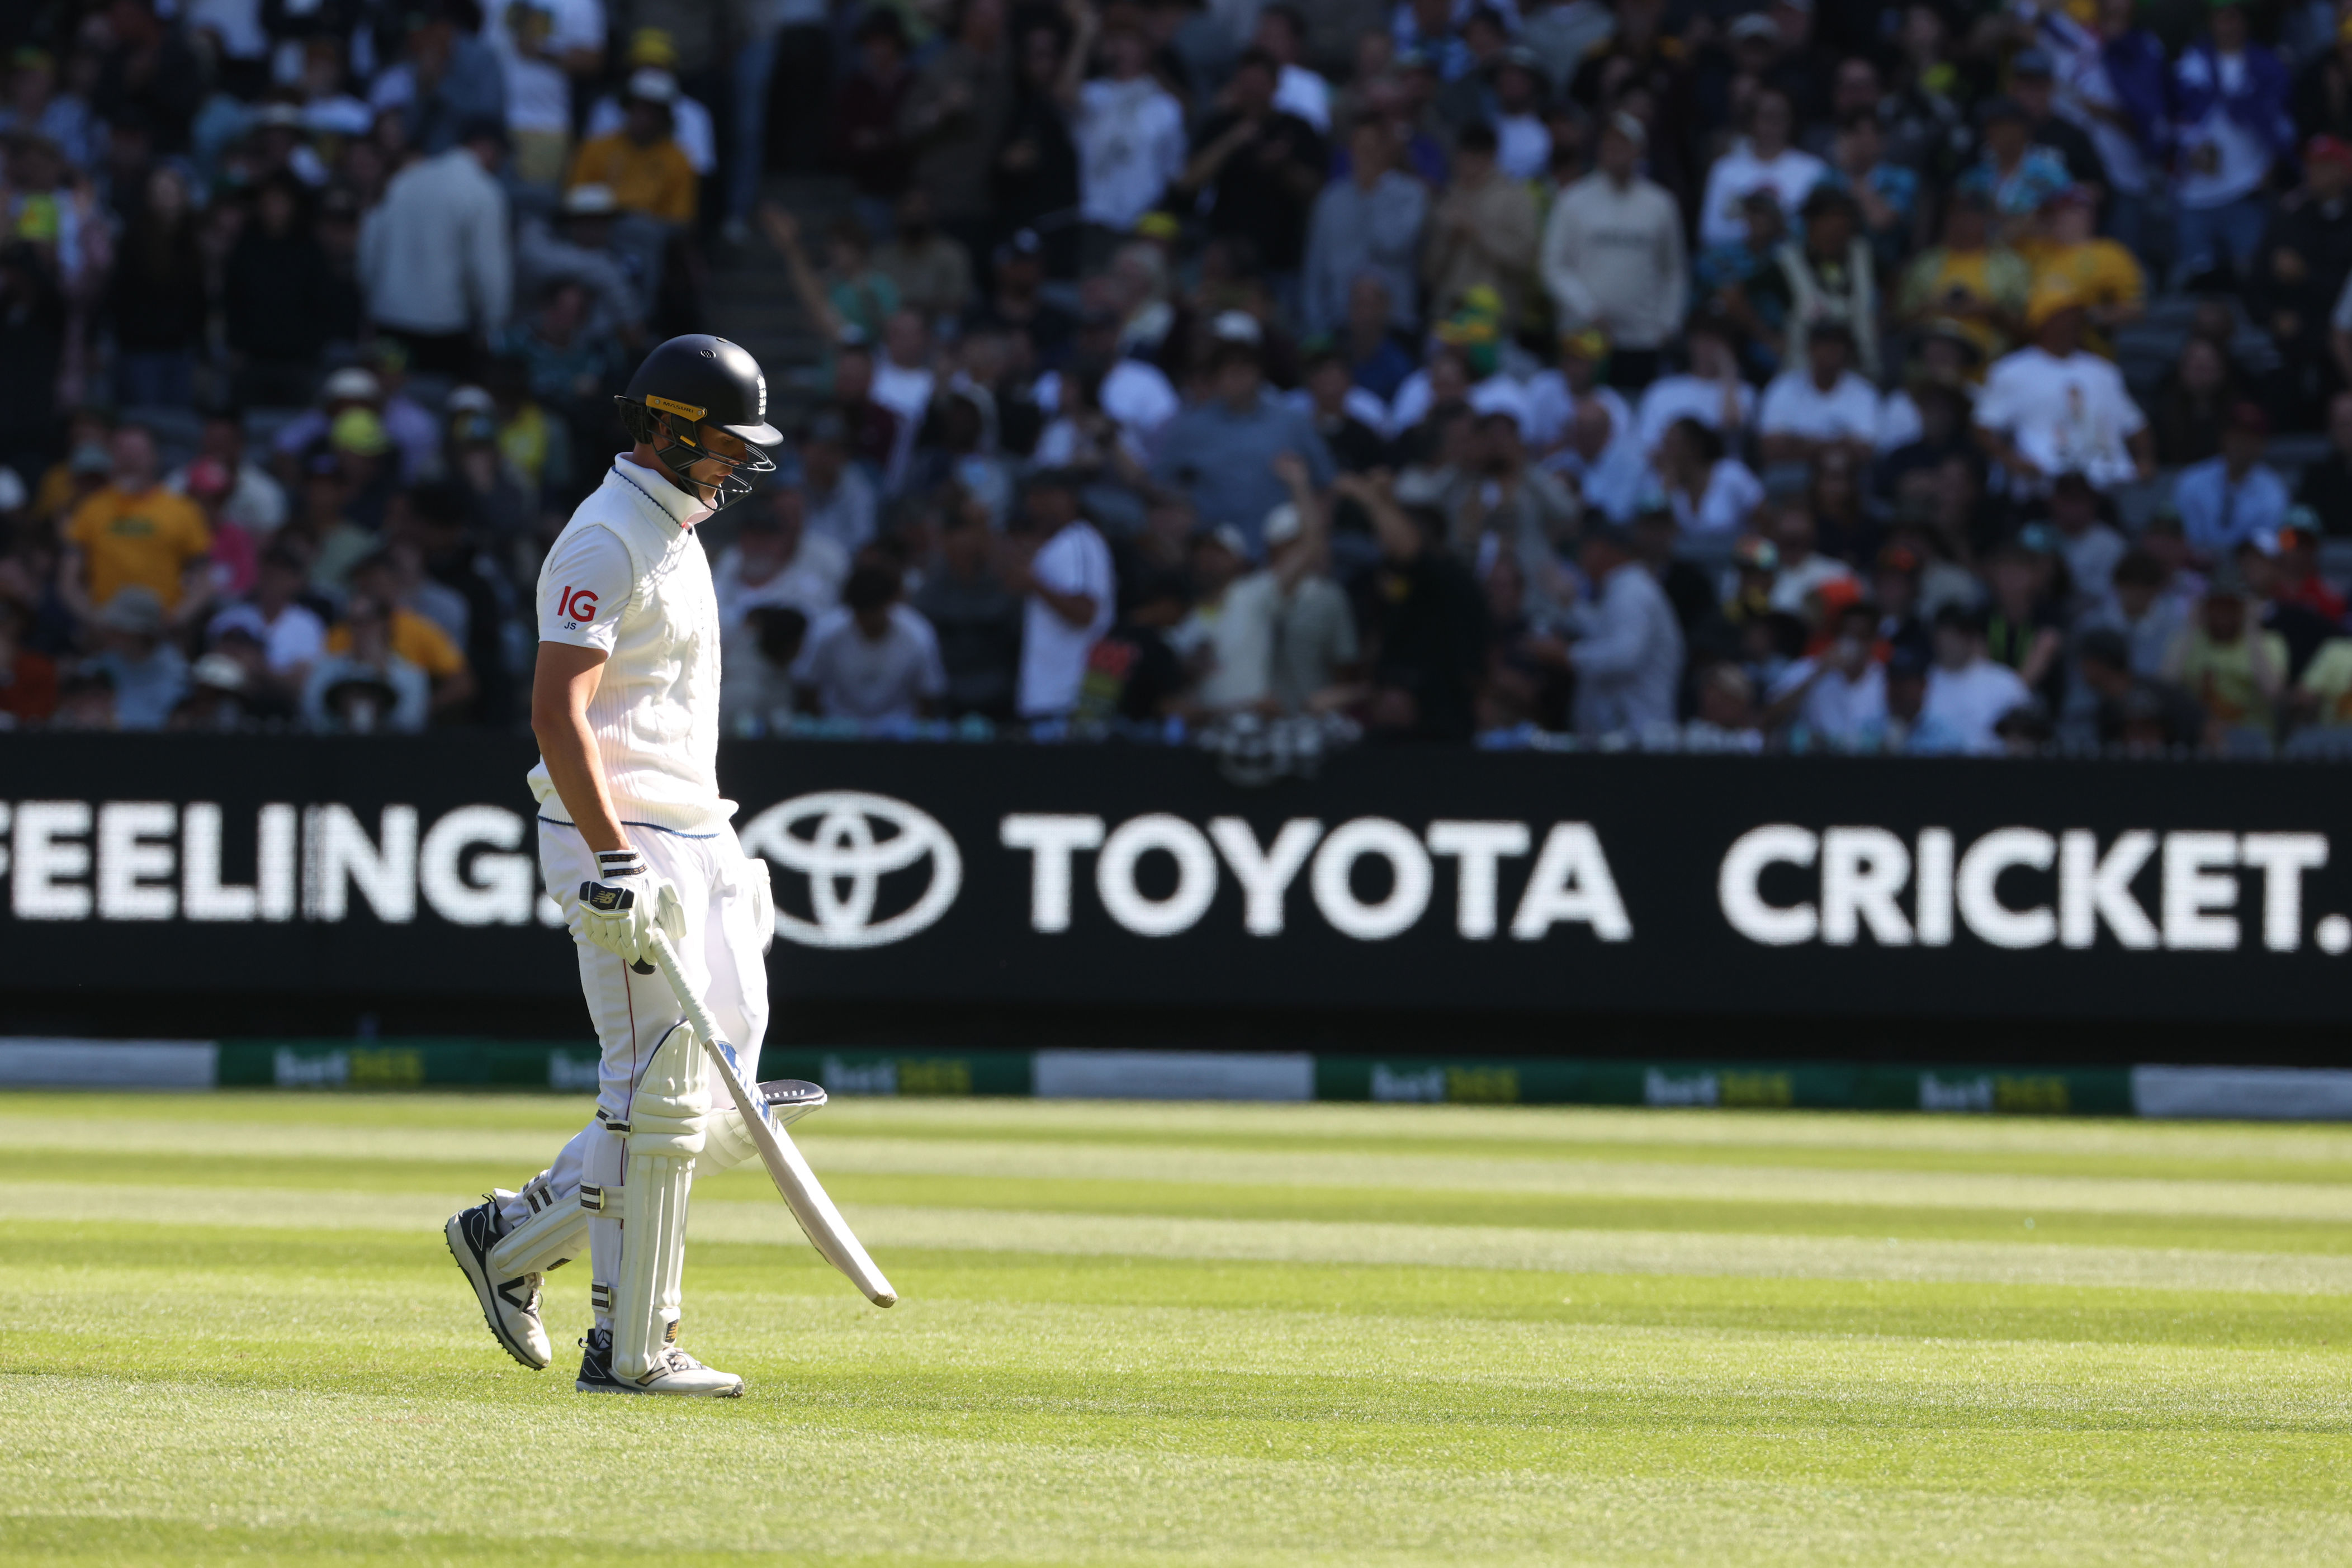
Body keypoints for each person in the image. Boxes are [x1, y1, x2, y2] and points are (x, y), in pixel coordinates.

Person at [443, 334, 785, 1399]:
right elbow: (557, 713)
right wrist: (612, 855)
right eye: (725, 441)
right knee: (654, 1092)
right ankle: (630, 1345)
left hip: (699, 826)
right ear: (668, 429)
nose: (737, 462)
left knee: (725, 1091)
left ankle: (509, 1238)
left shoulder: (674, 527)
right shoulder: (603, 537)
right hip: (625, 836)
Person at [1150, 315, 1334, 557]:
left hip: (1283, 550)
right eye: (1230, 372)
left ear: (1259, 373)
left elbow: (1326, 484)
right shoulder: (1191, 427)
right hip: (1215, 552)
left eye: (1245, 370)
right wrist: (1184, 510)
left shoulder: (1292, 421)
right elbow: (1158, 482)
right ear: (1216, 379)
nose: (1239, 380)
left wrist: (1316, 539)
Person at [358, 116, 513, 376]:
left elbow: (370, 248)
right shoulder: (482, 191)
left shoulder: (405, 180)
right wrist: (493, 324)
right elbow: (489, 270)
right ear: (488, 148)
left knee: (390, 396)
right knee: (437, 399)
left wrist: (371, 302)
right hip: (445, 327)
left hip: (389, 317)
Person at [1541, 112, 1686, 387]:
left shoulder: (1661, 204)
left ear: (1639, 150)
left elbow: (1674, 270)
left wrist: (1668, 323)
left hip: (1642, 338)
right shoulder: (1573, 200)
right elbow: (1553, 266)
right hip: (1583, 337)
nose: (1616, 151)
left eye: (1624, 144)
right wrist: (1588, 310)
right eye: (1610, 143)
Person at [1974, 287, 2153, 491]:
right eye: (2063, 315)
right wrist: (2012, 461)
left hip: (2107, 484)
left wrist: (2146, 460)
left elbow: (2135, 424)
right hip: (2045, 487)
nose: (2072, 323)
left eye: (2076, 316)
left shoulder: (2104, 370)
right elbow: (1984, 427)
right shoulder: (2010, 370)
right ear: (2043, 321)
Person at [2170, 0, 2293, 287]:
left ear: (2245, 21)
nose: (2228, 26)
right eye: (2221, 18)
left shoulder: (2267, 66)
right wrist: (2190, 151)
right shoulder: (2190, 63)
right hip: (2196, 193)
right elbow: (2174, 117)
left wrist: (2273, 167)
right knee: (2196, 282)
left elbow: (2280, 125)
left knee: (2252, 278)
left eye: (2234, 17)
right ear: (2211, 22)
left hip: (2246, 189)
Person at [63, 425, 213, 637]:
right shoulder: (90, 509)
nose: (130, 460)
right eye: (123, 452)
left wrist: (178, 619)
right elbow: (69, 579)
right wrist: (93, 619)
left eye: (137, 453)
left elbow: (204, 578)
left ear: (154, 457)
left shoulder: (183, 510)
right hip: (106, 630)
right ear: (112, 457)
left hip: (161, 630)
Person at [1303, 116, 1429, 339]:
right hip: (1338, 321)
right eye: (1359, 148)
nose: (1365, 156)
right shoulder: (1331, 199)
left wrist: (1373, 193)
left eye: (1371, 148)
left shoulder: (1411, 194)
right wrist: (1315, 327)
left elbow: (1392, 245)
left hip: (1394, 323)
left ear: (1386, 150)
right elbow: (1316, 266)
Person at [1007, 469, 1115, 721]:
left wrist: (1035, 584)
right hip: (1045, 695)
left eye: (1045, 496)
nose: (1036, 505)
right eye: (1033, 497)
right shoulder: (1055, 545)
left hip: (1078, 695)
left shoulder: (1081, 540)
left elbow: (1085, 613)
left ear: (1068, 498)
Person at [1566, 519, 1682, 738]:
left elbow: (1624, 656)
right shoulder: (1621, 588)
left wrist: (1568, 656)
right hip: (1620, 737)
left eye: (1586, 549)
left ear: (1602, 549)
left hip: (1640, 737)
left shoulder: (1633, 591)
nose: (1581, 558)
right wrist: (1570, 606)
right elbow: (1602, 631)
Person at [914, 499, 1025, 721]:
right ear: (945, 544)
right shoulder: (930, 590)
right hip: (948, 693)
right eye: (955, 544)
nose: (962, 551)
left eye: (968, 544)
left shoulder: (1004, 585)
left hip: (1001, 693)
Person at [1422, 124, 1540, 330]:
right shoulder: (1448, 197)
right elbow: (1428, 272)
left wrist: (1477, 233)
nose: (1467, 165)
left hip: (1494, 316)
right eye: (1463, 157)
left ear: (1490, 157)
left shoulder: (1515, 197)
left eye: (1475, 157)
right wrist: (1449, 240)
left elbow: (1525, 257)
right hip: (1448, 311)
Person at [796, 563, 946, 722]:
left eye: (874, 611)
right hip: (838, 725)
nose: (868, 620)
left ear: (890, 603)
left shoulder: (919, 634)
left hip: (899, 728)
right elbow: (808, 685)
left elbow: (928, 693)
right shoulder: (826, 633)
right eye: (862, 613)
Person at [2174, 402, 2289, 558]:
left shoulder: (2273, 490)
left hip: (2248, 568)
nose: (2241, 444)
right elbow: (2184, 537)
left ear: (2262, 445)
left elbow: (2264, 544)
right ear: (2224, 437)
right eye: (2237, 436)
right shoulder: (2192, 480)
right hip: (2194, 564)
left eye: (2250, 438)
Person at [1757, 322, 1881, 466]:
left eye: (1836, 345)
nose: (1829, 351)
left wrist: (1799, 442)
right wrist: (1833, 446)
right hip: (1794, 469)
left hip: (1845, 471)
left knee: (1839, 469)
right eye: (1822, 345)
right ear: (1810, 349)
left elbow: (1865, 451)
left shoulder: (1864, 392)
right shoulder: (1783, 387)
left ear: (1847, 351)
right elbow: (1770, 448)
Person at [1917, 604, 2031, 755]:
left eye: (1959, 634)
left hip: (1991, 767)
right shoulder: (1917, 684)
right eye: (1946, 634)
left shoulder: (2005, 683)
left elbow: (2027, 739)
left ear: (1973, 637)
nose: (1951, 642)